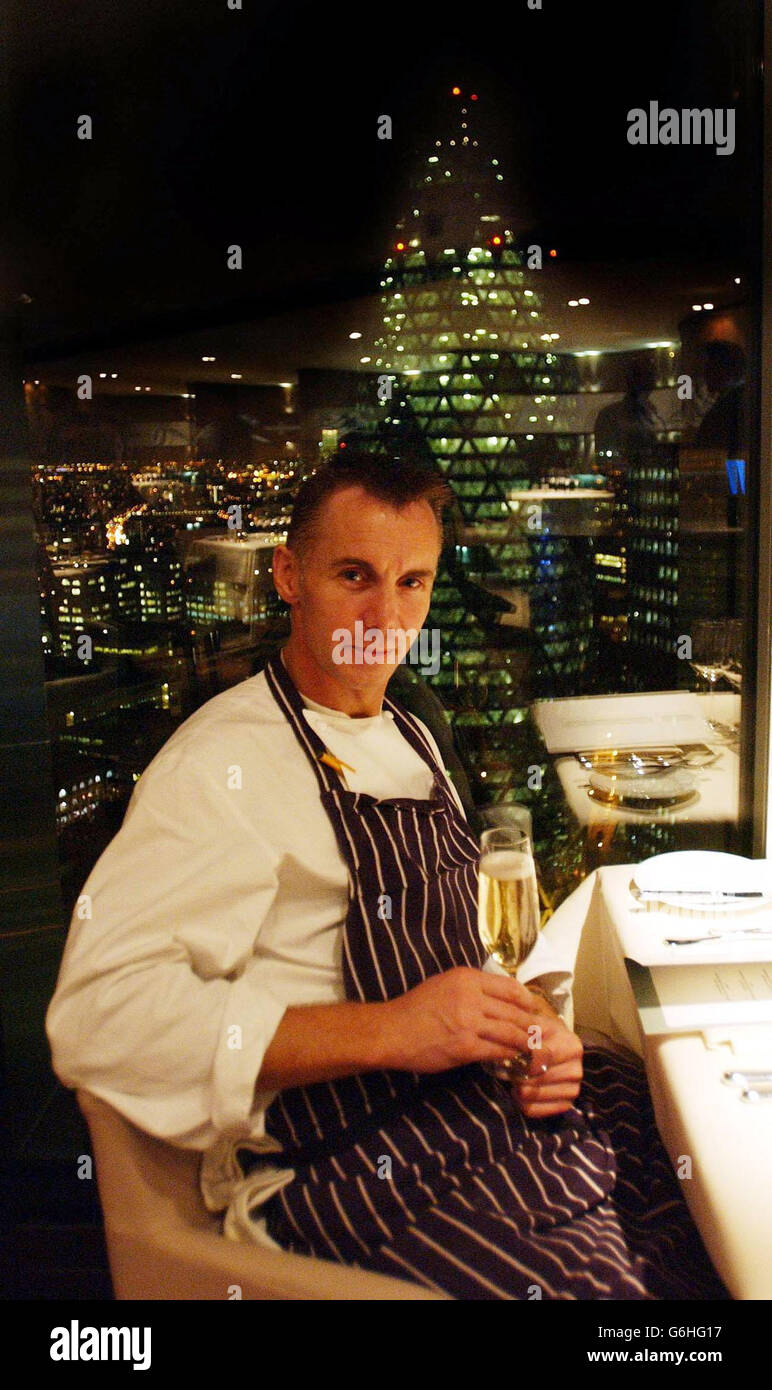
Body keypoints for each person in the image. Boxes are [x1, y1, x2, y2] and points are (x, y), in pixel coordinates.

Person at [46, 450, 726, 1301]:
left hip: (476, 1111)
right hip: (355, 1171)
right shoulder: (221, 764)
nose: (385, 616)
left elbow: (436, 956)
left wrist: (521, 1037)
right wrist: (390, 1031)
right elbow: (97, 1018)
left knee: (686, 1163)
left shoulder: (412, 730)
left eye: (412, 582)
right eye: (354, 576)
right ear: (289, 575)